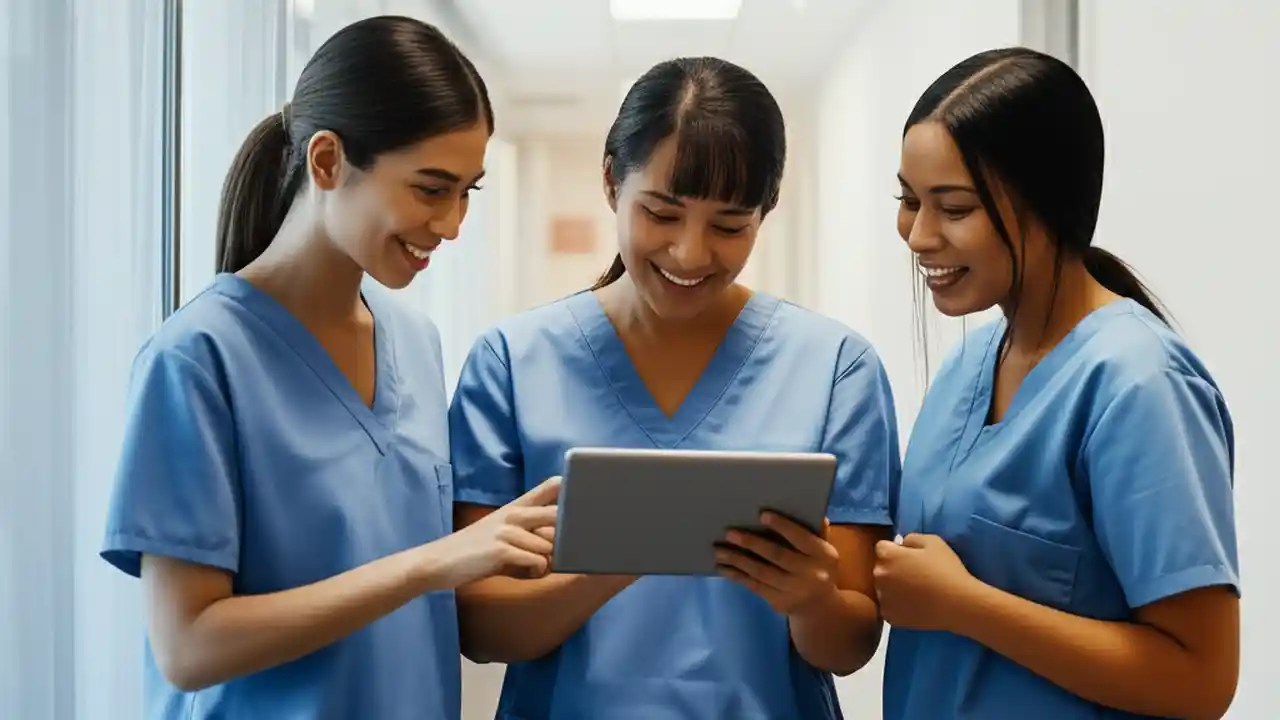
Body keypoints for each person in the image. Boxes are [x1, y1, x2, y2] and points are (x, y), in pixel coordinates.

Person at [100, 16, 560, 720]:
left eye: (469, 190)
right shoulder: (198, 359)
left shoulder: (416, 342)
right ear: (326, 162)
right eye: (432, 188)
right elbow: (188, 647)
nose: (453, 224)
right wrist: (433, 562)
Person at [448, 56, 900, 719]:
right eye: (661, 213)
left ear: (766, 211)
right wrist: (607, 568)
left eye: (729, 226)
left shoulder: (836, 368)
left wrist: (812, 599)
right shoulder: (513, 362)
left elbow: (852, 639)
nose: (690, 254)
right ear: (610, 182)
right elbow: (479, 629)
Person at [875, 47, 1240, 719]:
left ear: (1046, 206)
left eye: (952, 208)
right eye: (908, 200)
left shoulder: (1138, 385)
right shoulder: (968, 366)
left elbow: (1202, 679)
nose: (918, 235)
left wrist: (965, 606)